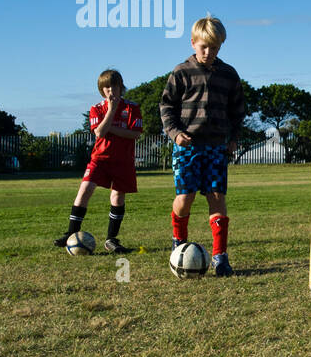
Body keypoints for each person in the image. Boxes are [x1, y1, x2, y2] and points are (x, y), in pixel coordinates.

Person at [159, 16, 246, 276]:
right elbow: (166, 106)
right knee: (185, 198)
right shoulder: (181, 72)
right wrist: (175, 134)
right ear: (193, 43)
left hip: (217, 147)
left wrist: (233, 138)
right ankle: (179, 243)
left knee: (216, 197)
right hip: (187, 147)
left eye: (215, 48)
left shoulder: (229, 74)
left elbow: (238, 111)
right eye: (204, 47)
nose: (209, 53)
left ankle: (220, 257)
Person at [54, 69, 143, 253]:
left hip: (123, 160)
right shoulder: (97, 108)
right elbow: (99, 132)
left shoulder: (132, 108)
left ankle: (111, 240)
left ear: (121, 87)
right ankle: (71, 233)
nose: (110, 91)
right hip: (99, 158)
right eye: (106, 87)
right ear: (102, 90)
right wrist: (111, 111)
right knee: (85, 190)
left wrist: (110, 127)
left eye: (114, 86)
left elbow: (134, 134)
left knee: (117, 197)